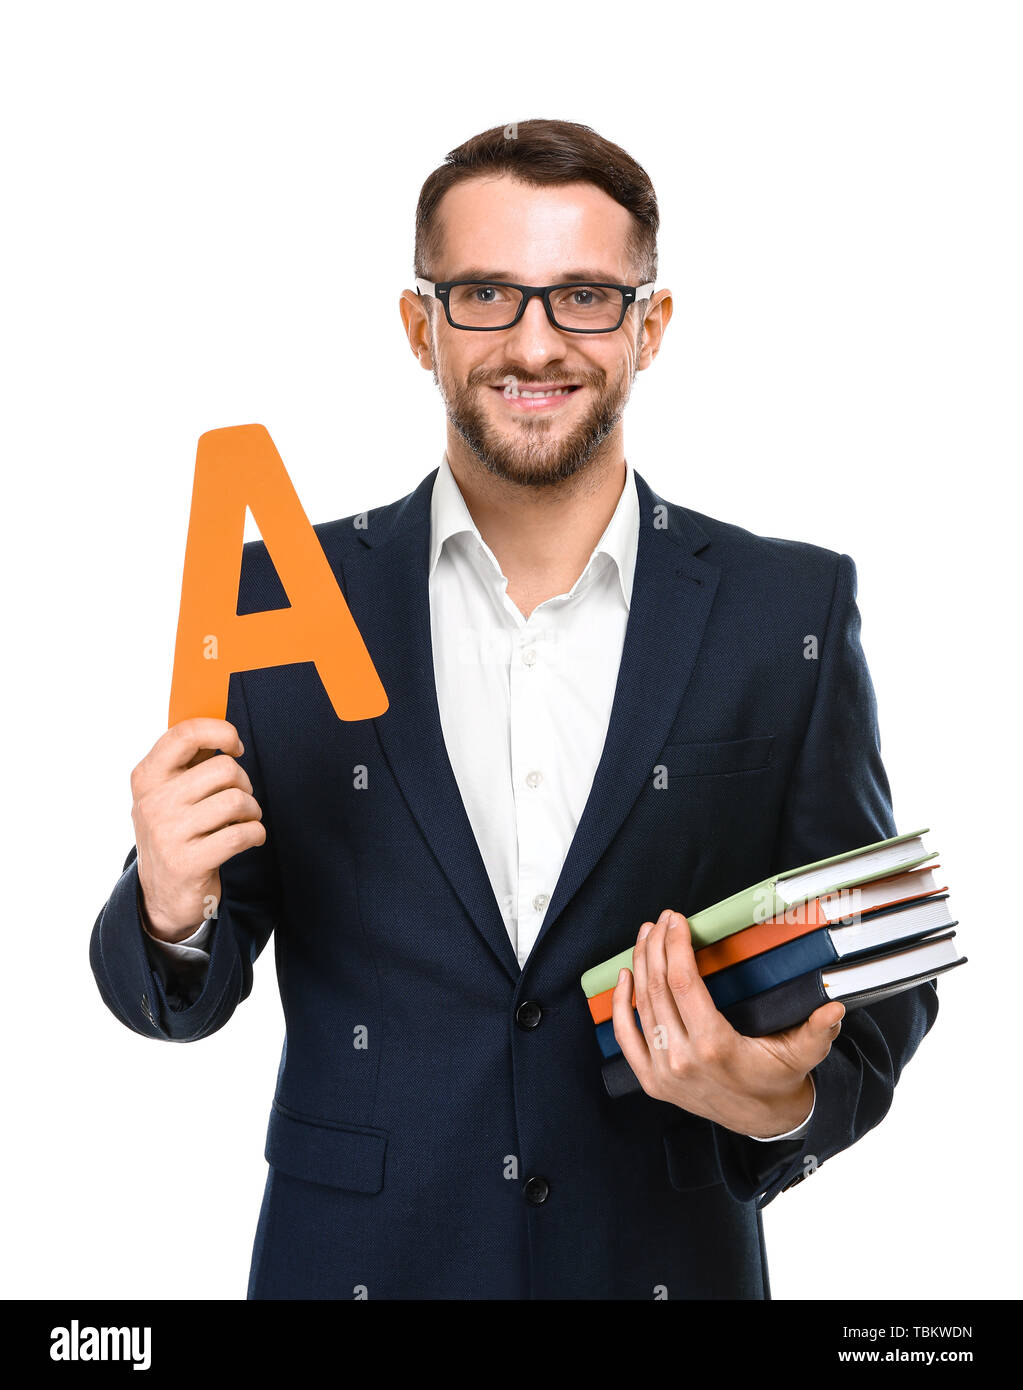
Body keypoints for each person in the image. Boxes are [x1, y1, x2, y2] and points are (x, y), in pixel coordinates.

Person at [90, 118, 939, 1300]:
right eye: (486, 292)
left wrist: (774, 1096)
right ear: (418, 325)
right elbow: (186, 988)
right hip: (356, 1270)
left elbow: (879, 971)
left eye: (586, 295)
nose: (534, 342)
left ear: (652, 325)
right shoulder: (280, 600)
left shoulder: (786, 607)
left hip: (661, 1266)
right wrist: (172, 904)